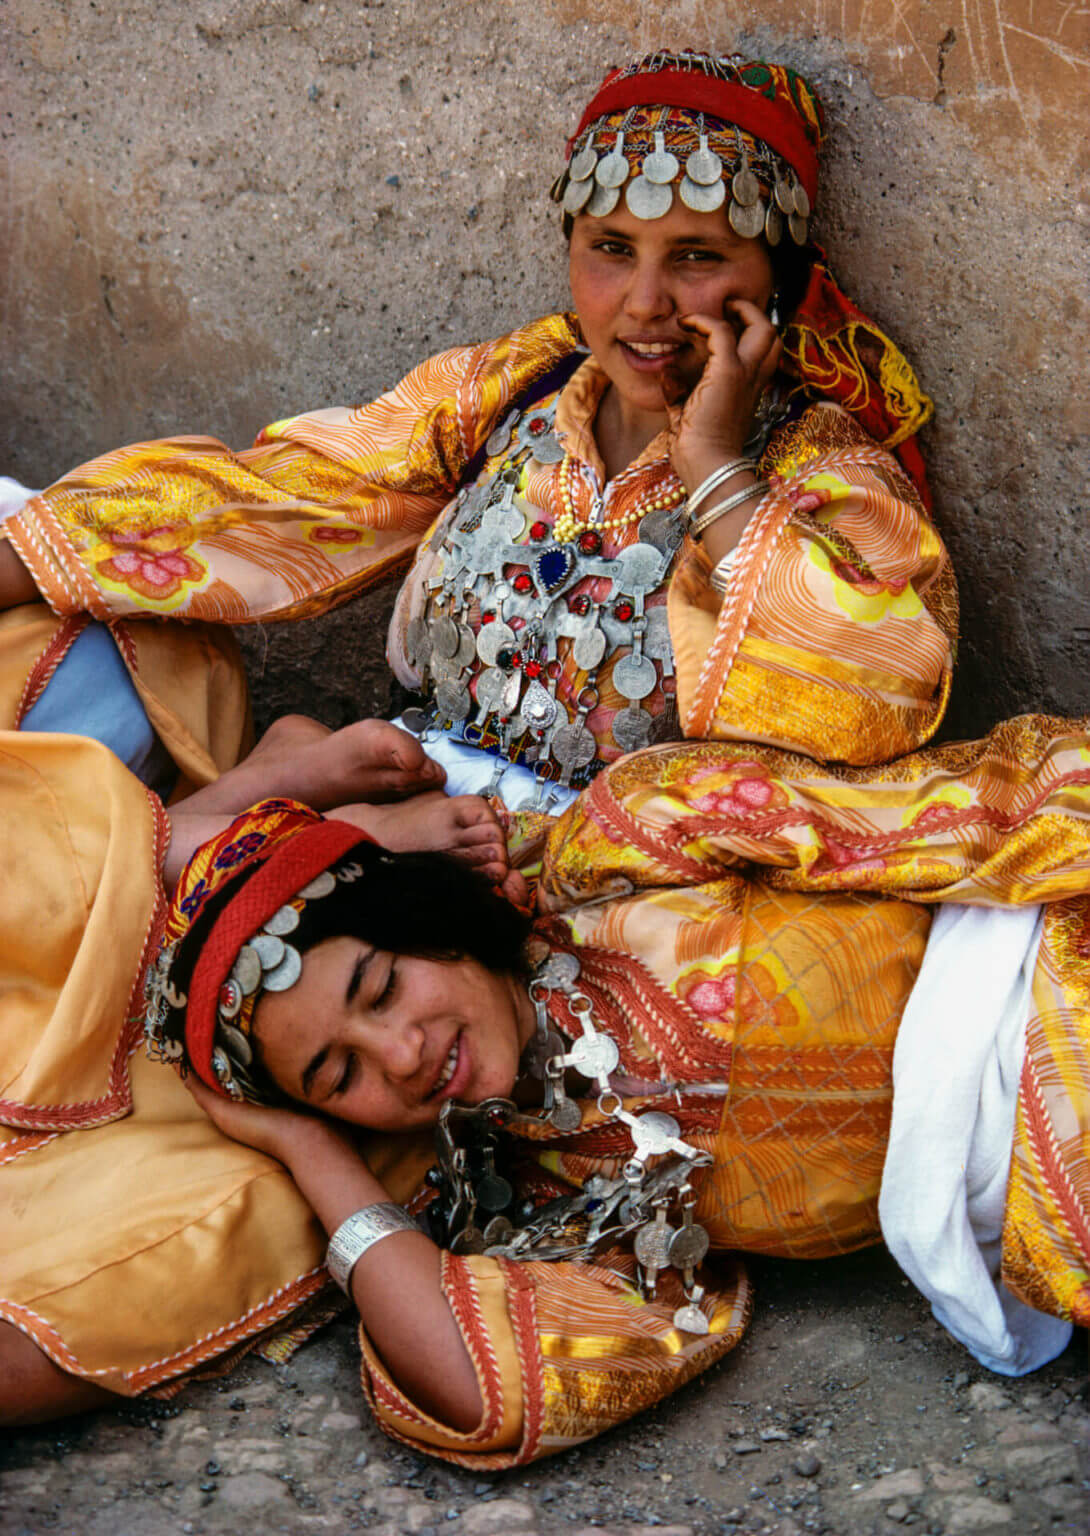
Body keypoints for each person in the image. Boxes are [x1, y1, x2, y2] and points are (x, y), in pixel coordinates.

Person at [3, 712, 1086, 1463]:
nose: (400, 1055)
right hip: (1028, 1186)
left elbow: (961, 816)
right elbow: (485, 1389)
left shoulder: (632, 840)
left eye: (381, 987)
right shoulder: (542, 1205)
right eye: (338, 1075)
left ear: (429, 916)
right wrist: (312, 1157)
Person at [0, 50, 952, 820]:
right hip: (410, 836)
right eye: (610, 251)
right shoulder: (516, 387)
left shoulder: (821, 464)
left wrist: (711, 466)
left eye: (698, 258)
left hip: (641, 903)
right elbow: (295, 494)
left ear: (777, 285)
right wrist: (22, 557)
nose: (646, 304)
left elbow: (882, 695)